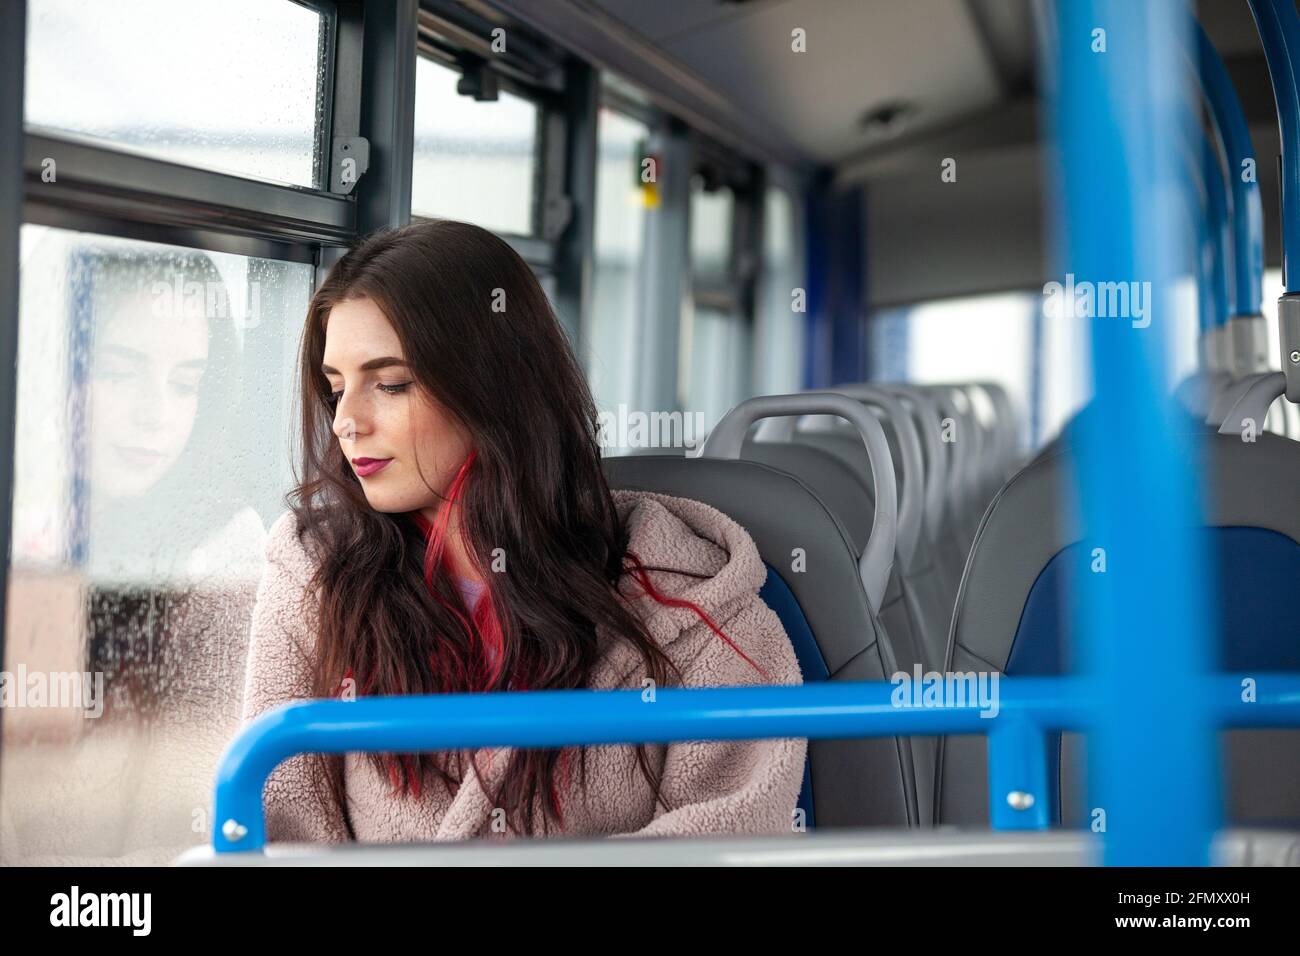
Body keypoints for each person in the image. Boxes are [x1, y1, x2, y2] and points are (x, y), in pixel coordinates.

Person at [240, 218, 806, 842]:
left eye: (391, 384)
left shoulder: (693, 603)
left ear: (491, 384)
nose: (346, 422)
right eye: (335, 388)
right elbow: (281, 831)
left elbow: (731, 840)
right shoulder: (315, 577)